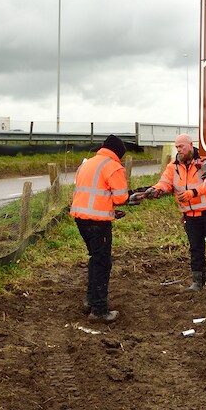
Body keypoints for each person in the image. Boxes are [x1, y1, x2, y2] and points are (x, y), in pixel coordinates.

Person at [145, 134, 206, 292]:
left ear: (190, 145)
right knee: (195, 249)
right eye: (176, 147)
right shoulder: (173, 165)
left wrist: (192, 193)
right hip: (190, 215)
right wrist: (156, 189)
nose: (178, 150)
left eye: (181, 146)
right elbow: (165, 182)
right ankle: (198, 282)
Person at [70, 135, 130, 322]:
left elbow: (92, 192)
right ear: (118, 153)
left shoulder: (87, 164)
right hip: (98, 223)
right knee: (102, 263)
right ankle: (99, 310)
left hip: (81, 219)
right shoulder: (113, 166)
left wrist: (108, 208)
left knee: (95, 259)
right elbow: (121, 197)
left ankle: (90, 300)